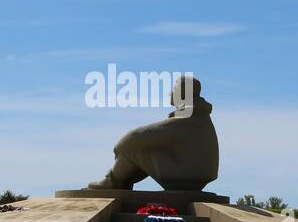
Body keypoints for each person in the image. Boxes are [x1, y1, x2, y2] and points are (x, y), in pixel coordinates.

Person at [86, 75, 219, 191]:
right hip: (194, 172)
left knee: (135, 148)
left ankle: (113, 181)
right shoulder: (196, 115)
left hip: (187, 173)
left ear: (182, 93)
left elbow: (136, 137)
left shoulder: (189, 117)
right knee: (143, 147)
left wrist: (120, 147)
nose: (170, 92)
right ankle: (119, 181)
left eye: (174, 88)